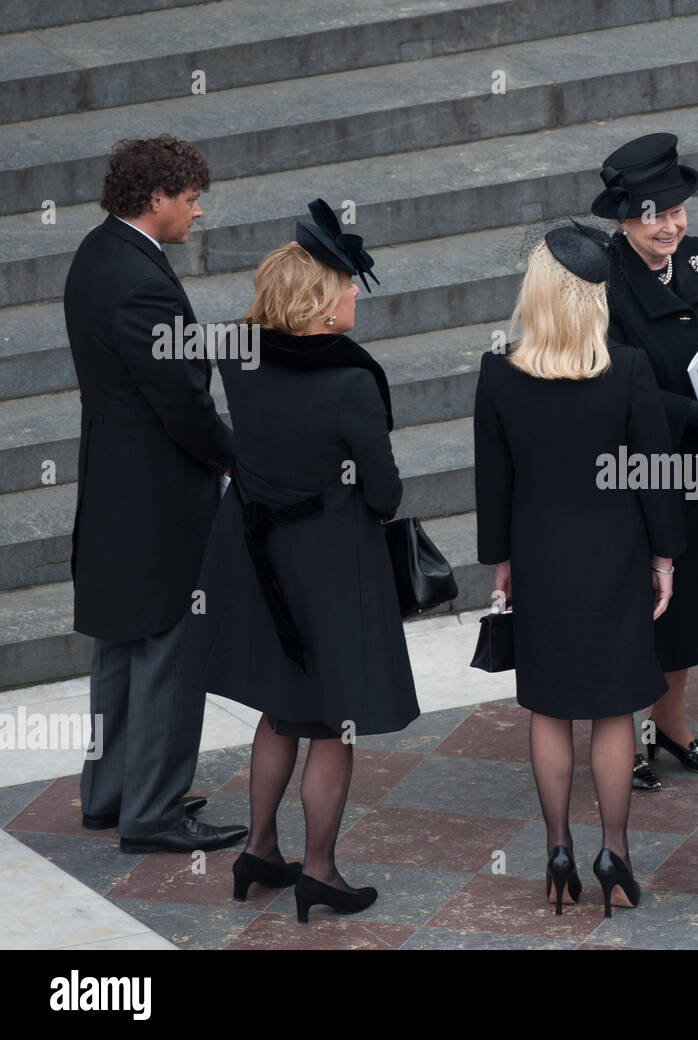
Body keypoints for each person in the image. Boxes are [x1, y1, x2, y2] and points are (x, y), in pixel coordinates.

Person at [182, 200, 419, 922]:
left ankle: (259, 847)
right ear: (317, 305)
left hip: (254, 557)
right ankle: (318, 870)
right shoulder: (351, 382)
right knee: (330, 724)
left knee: (281, 710)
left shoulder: (239, 352)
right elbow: (383, 491)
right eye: (346, 286)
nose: (356, 293)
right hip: (328, 567)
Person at [474, 223, 687, 917]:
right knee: (613, 706)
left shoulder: (499, 373)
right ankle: (614, 851)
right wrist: (665, 557)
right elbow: (656, 476)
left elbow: (494, 483)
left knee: (549, 705)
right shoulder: (626, 369)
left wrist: (501, 561)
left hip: (539, 558)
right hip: (614, 558)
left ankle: (558, 847)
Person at [63, 134, 246, 854]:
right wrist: (233, 457)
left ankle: (109, 793)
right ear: (156, 199)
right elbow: (181, 401)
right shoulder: (142, 281)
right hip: (159, 496)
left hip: (112, 484)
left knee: (119, 644)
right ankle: (154, 811)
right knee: (171, 649)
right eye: (191, 198)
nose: (198, 212)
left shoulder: (94, 252)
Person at [592, 133, 698, 791]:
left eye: (678, 210)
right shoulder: (601, 279)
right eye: (655, 214)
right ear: (626, 218)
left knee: (687, 606)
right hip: (639, 471)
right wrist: (691, 412)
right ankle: (622, 737)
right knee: (639, 608)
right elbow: (605, 381)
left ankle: (672, 725)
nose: (671, 225)